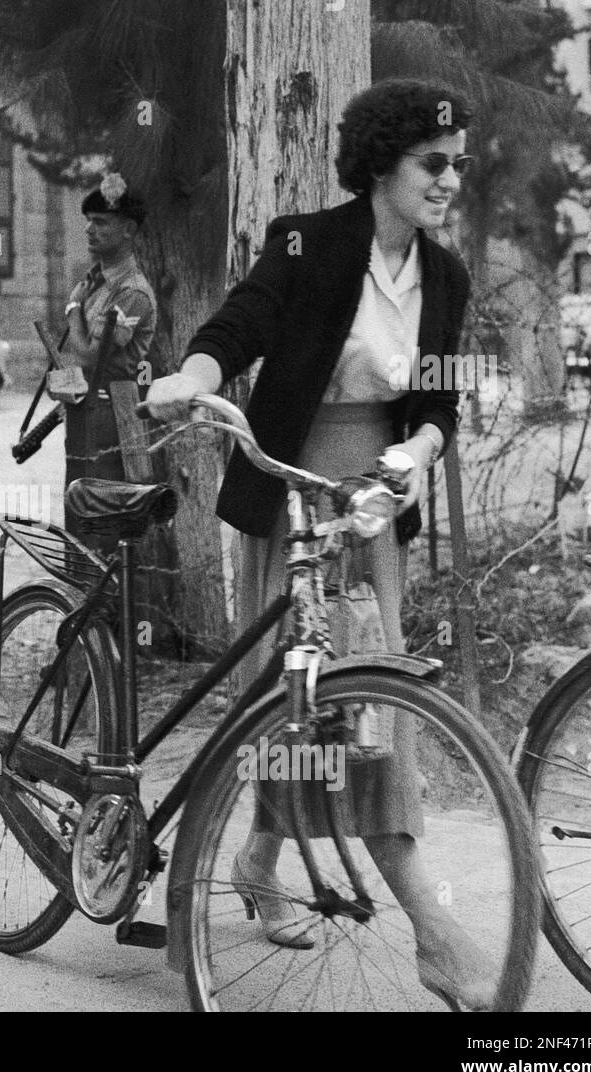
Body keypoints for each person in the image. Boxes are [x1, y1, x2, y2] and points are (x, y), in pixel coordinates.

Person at [146, 79, 489, 1008]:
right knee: (289, 699)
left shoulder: (445, 278)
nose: (450, 180)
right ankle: (418, 921)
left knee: (366, 711)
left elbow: (440, 401)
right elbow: (242, 322)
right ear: (383, 162)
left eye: (460, 165)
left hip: (376, 499)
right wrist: (194, 376)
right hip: (292, 482)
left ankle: (264, 861)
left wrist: (416, 453)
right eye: (434, 163)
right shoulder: (308, 239)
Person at [60, 174, 157, 535]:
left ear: (128, 229)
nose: (89, 230)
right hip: (87, 411)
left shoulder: (132, 292)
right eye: (88, 221)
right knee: (77, 510)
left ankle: (110, 591)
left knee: (104, 520)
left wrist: (73, 307)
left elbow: (89, 357)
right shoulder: (97, 284)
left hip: (112, 415)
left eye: (100, 222)